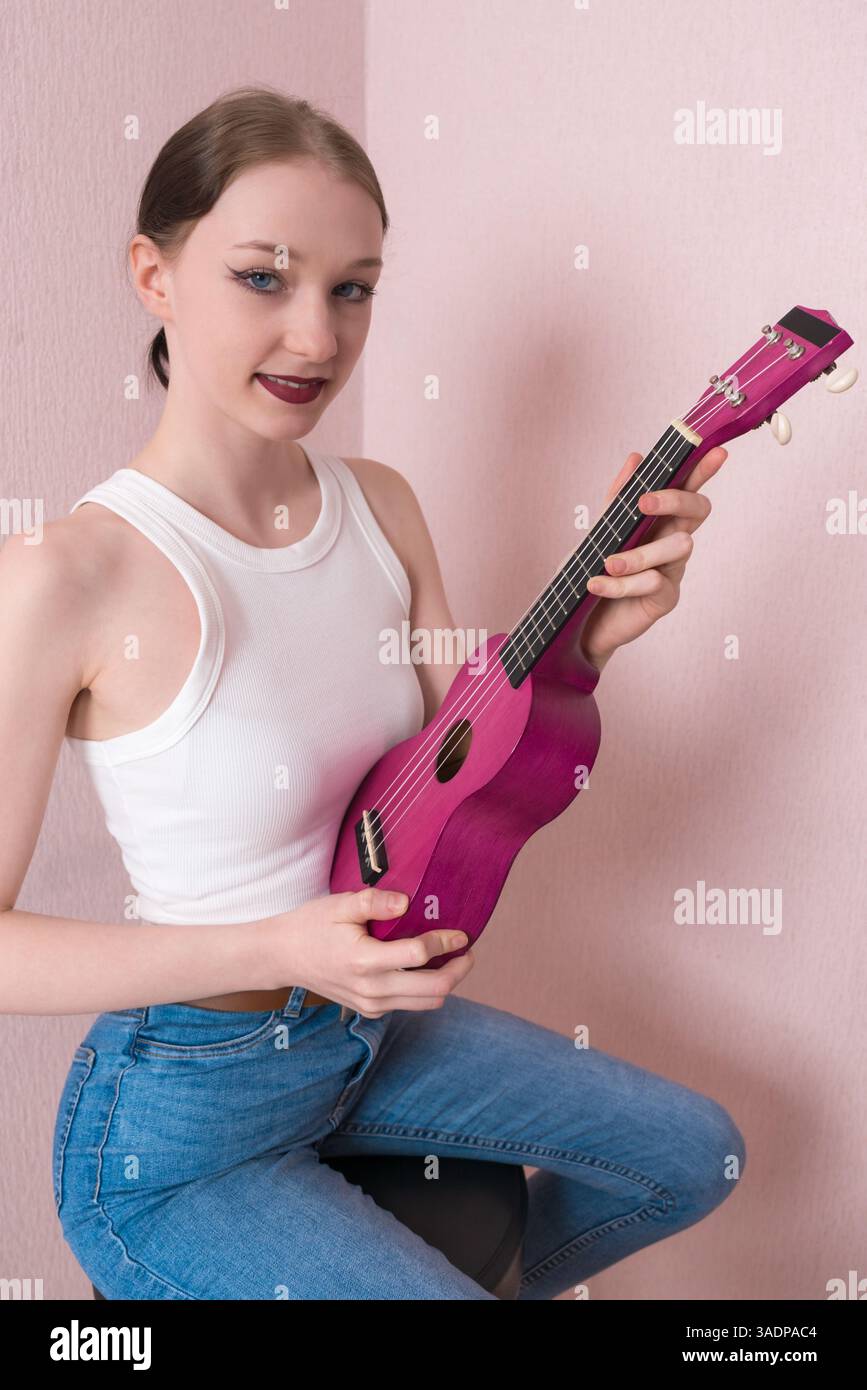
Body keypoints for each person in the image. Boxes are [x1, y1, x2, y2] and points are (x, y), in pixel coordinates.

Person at [0, 85, 742, 1300]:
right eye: (263, 278)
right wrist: (277, 942)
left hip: (367, 1036)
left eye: (352, 288)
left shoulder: (379, 504)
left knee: (694, 1152)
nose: (316, 336)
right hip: (182, 1116)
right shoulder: (63, 575)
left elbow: (465, 745)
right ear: (154, 275)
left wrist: (593, 644)